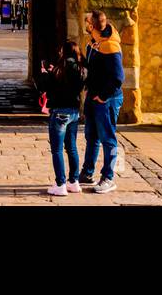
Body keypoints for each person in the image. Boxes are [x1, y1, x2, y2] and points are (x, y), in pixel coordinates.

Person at [78, 10, 124, 194]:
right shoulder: (93, 43)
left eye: (87, 20)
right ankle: (87, 173)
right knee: (92, 136)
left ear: (92, 26)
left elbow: (118, 78)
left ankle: (108, 177)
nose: (85, 23)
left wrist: (103, 96)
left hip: (107, 99)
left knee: (108, 138)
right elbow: (91, 67)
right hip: (93, 96)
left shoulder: (111, 47)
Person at [39, 40, 86, 197]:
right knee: (71, 147)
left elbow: (44, 86)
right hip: (74, 111)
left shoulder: (60, 69)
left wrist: (45, 72)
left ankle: (60, 184)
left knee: (57, 149)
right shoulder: (81, 69)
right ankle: (74, 182)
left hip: (60, 112)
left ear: (64, 52)